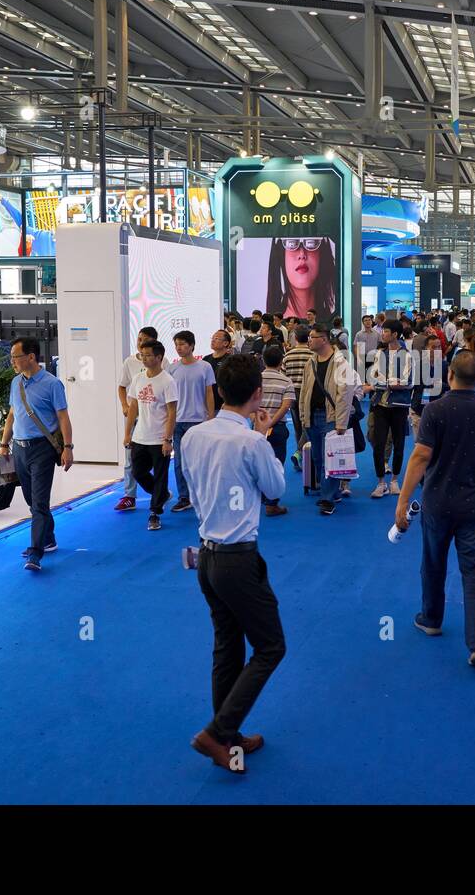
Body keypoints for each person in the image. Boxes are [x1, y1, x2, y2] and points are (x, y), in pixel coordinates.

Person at [179, 354, 287, 774]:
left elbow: (190, 483)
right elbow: (275, 488)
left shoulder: (193, 437)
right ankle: (217, 731)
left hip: (206, 555)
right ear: (257, 394)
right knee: (271, 646)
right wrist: (262, 435)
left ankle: (227, 735)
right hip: (238, 558)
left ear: (220, 391)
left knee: (227, 646)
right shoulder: (252, 441)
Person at [395, 351, 475, 668]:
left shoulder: (435, 411)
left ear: (449, 376)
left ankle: (431, 619)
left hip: (437, 502)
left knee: (433, 562)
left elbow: (419, 458)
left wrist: (403, 501)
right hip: (474, 505)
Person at [0, 337, 74, 571]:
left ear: (31, 357)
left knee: (40, 502)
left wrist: (68, 448)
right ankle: (47, 538)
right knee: (32, 501)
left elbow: (63, 417)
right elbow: (12, 414)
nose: (12, 361)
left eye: (16, 356)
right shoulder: (15, 383)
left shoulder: (52, 384)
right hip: (19, 449)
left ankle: (35, 552)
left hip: (42, 448)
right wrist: (4, 444)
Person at [297, 323, 355, 516]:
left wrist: (341, 422)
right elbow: (305, 390)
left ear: (323, 339)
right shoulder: (310, 362)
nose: (309, 340)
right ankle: (333, 491)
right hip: (312, 416)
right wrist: (304, 416)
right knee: (318, 458)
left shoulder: (340, 363)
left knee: (329, 458)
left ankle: (327, 499)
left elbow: (344, 395)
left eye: (312, 337)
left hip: (329, 416)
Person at [123, 340, 177, 531]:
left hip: (159, 439)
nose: (144, 358)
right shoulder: (138, 379)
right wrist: (127, 433)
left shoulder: (167, 381)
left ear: (159, 357)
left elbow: (172, 412)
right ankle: (160, 495)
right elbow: (133, 408)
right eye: (142, 355)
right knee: (138, 472)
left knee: (161, 475)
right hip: (139, 437)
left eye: (148, 355)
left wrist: (168, 439)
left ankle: (155, 513)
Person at [167, 330, 218, 514]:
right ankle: (184, 497)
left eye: (182, 344)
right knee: (180, 463)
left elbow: (209, 392)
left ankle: (203, 494)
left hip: (198, 421)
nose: (179, 348)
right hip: (178, 421)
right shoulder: (172, 369)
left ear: (191, 345)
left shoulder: (205, 367)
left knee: (200, 461)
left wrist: (211, 416)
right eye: (176, 345)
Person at [364, 320, 412, 498]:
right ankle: (380, 482)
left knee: (399, 444)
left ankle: (394, 480)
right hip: (379, 405)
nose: (382, 334)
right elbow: (374, 376)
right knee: (378, 444)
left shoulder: (406, 355)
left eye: (385, 332)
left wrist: (378, 385)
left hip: (399, 406)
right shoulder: (379, 353)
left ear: (395, 335)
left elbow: (407, 382)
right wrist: (380, 384)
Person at [114, 327, 158, 512]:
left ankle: (159, 492)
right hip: (134, 416)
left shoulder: (161, 363)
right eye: (139, 339)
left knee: (156, 459)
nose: (140, 343)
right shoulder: (130, 362)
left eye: (145, 339)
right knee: (129, 458)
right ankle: (129, 496)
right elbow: (122, 386)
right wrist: (125, 405)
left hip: (154, 418)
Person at [258, 344, 295, 517]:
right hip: (277, 428)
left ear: (263, 360)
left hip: (257, 427)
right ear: (281, 361)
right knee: (276, 465)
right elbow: (286, 405)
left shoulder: (256, 379)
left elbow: (250, 402)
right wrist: (272, 421)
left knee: (257, 463)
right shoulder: (286, 381)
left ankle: (257, 497)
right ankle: (271, 504)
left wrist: (259, 421)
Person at [267, 236, 336, 320]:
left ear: (321, 253)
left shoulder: (332, 323)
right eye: (291, 243)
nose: (302, 254)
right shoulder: (270, 325)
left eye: (311, 242)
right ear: (281, 254)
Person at [281, 325, 316, 470]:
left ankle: (299, 455)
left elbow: (283, 376)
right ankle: (302, 453)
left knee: (297, 426)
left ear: (295, 338)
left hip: (292, 393)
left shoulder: (288, 356)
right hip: (309, 392)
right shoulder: (313, 355)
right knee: (309, 424)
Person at [205, 328, 234, 412]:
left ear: (226, 343)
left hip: (224, 405)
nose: (213, 340)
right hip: (206, 405)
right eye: (212, 338)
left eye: (216, 338)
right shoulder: (206, 359)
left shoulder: (230, 360)